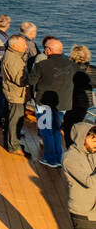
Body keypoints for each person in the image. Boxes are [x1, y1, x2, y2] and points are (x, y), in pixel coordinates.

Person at [30, 37, 77, 167]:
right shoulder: (72, 65)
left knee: (46, 130)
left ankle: (51, 159)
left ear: (49, 50)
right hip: (63, 103)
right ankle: (57, 157)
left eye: (46, 48)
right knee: (56, 130)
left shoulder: (41, 65)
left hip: (43, 103)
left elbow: (31, 81)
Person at [65, 122, 96, 229]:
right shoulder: (70, 158)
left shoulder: (91, 153)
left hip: (94, 211)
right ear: (82, 138)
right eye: (93, 139)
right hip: (82, 212)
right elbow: (88, 182)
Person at [2, 35, 31, 156]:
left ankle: (12, 142)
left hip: (17, 94)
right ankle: (13, 146)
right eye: (23, 44)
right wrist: (33, 77)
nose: (26, 46)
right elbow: (19, 80)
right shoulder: (13, 60)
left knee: (13, 119)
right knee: (15, 120)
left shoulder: (14, 55)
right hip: (16, 94)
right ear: (14, 46)